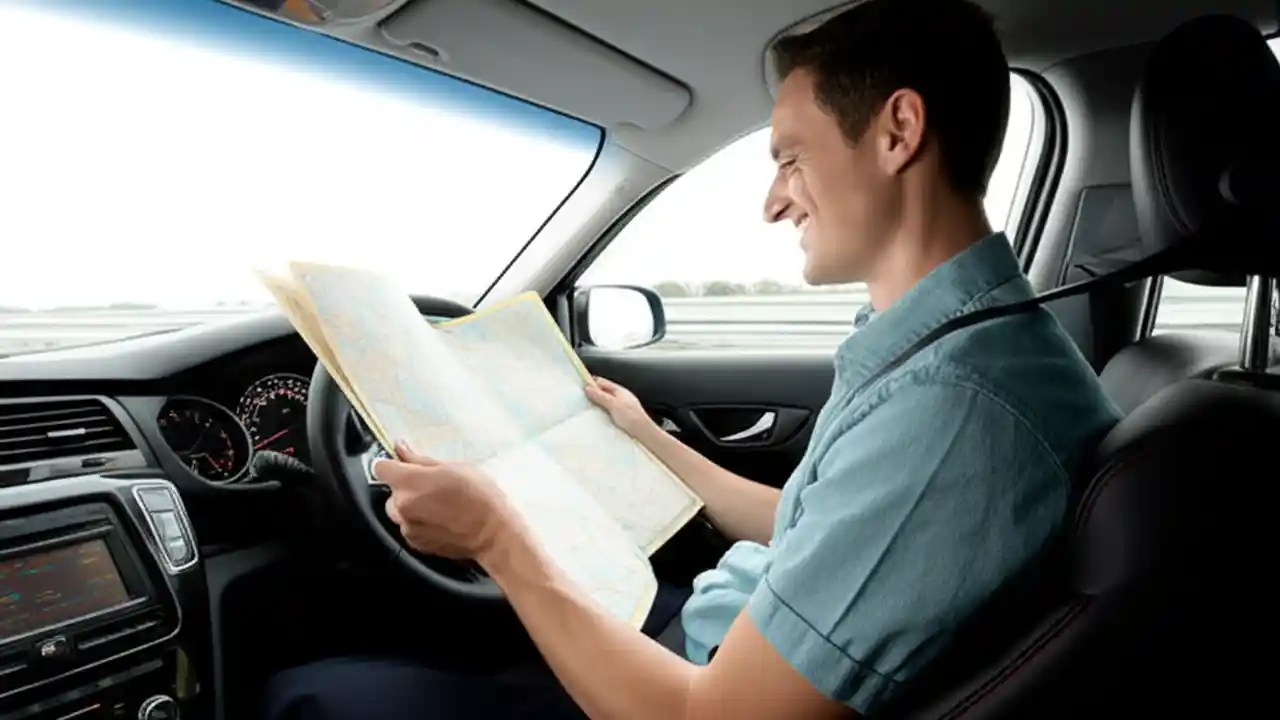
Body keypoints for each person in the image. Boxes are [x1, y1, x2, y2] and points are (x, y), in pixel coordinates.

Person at [263, 0, 1122, 716]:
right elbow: (810, 525)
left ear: (897, 131)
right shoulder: (971, 348)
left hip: (695, 679)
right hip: (729, 626)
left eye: (790, 156)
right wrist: (646, 436)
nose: (772, 201)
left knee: (312, 695)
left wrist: (495, 537)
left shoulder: (955, 403)